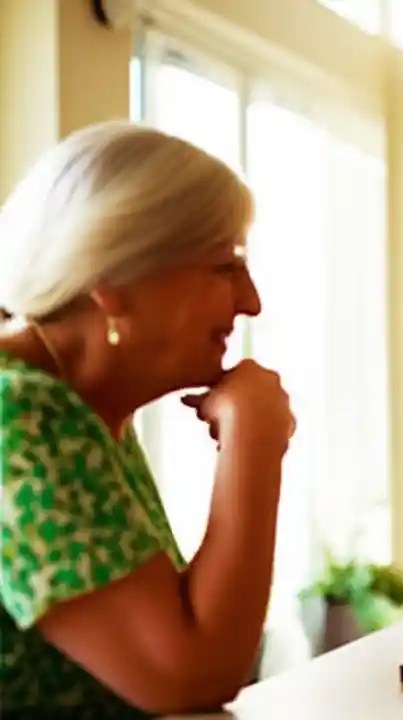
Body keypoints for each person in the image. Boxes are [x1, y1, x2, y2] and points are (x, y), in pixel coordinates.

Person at [0, 121, 295, 716]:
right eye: (223, 267)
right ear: (113, 279)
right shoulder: (21, 411)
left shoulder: (88, 409)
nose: (250, 301)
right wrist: (254, 442)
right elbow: (190, 676)